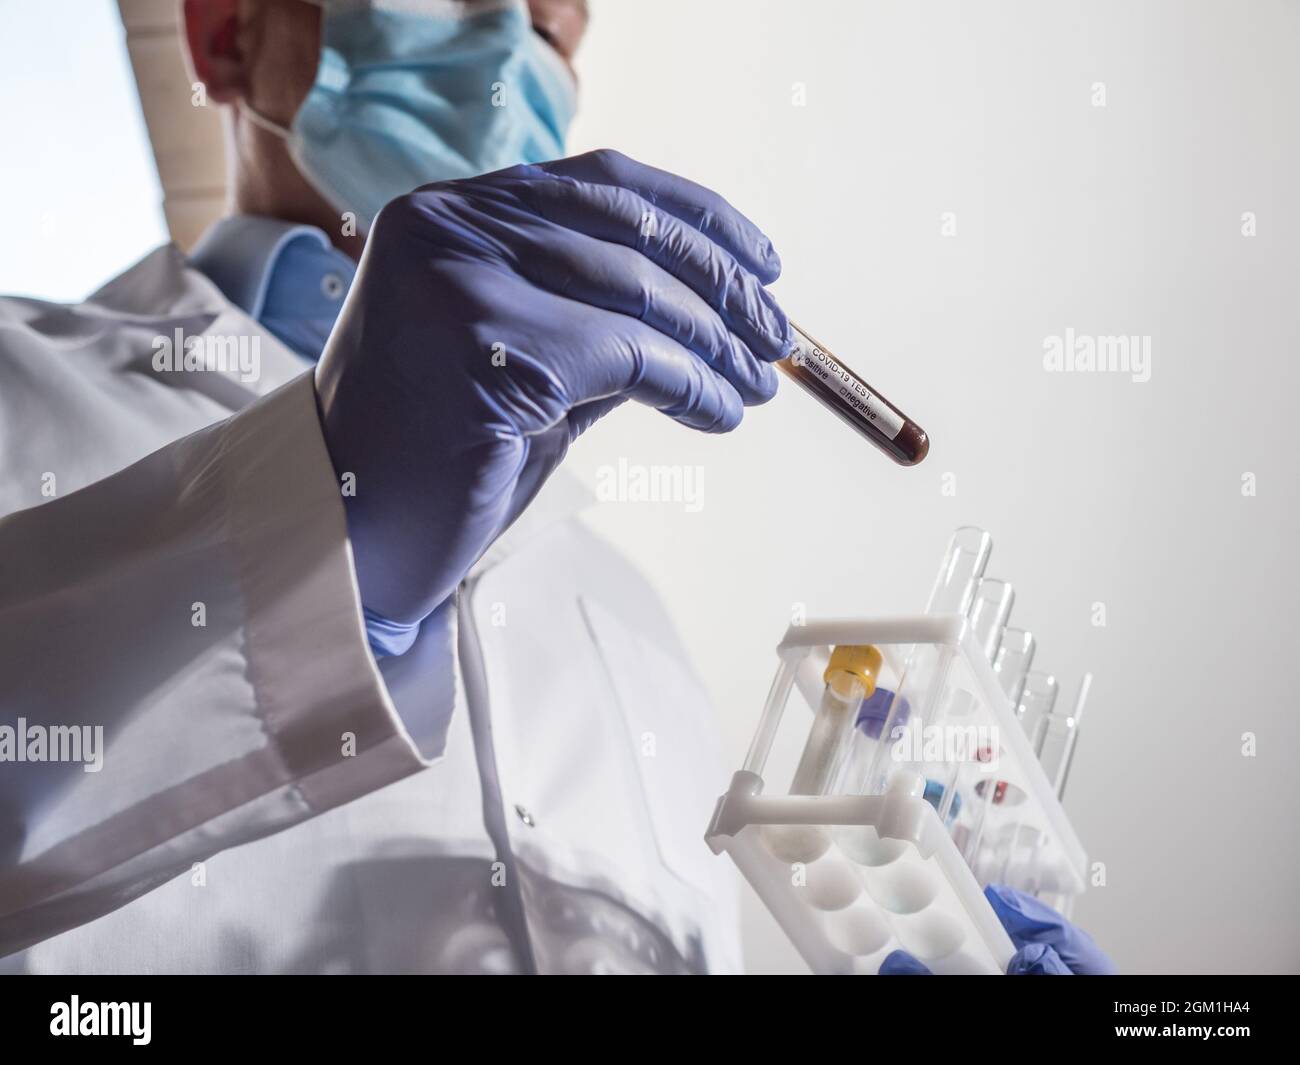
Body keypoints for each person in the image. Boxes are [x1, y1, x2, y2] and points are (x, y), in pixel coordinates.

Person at [0, 0, 1110, 975]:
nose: (538, 32)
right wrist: (329, 541)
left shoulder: (629, 622)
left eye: (548, 24)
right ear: (228, 33)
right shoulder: (20, 389)